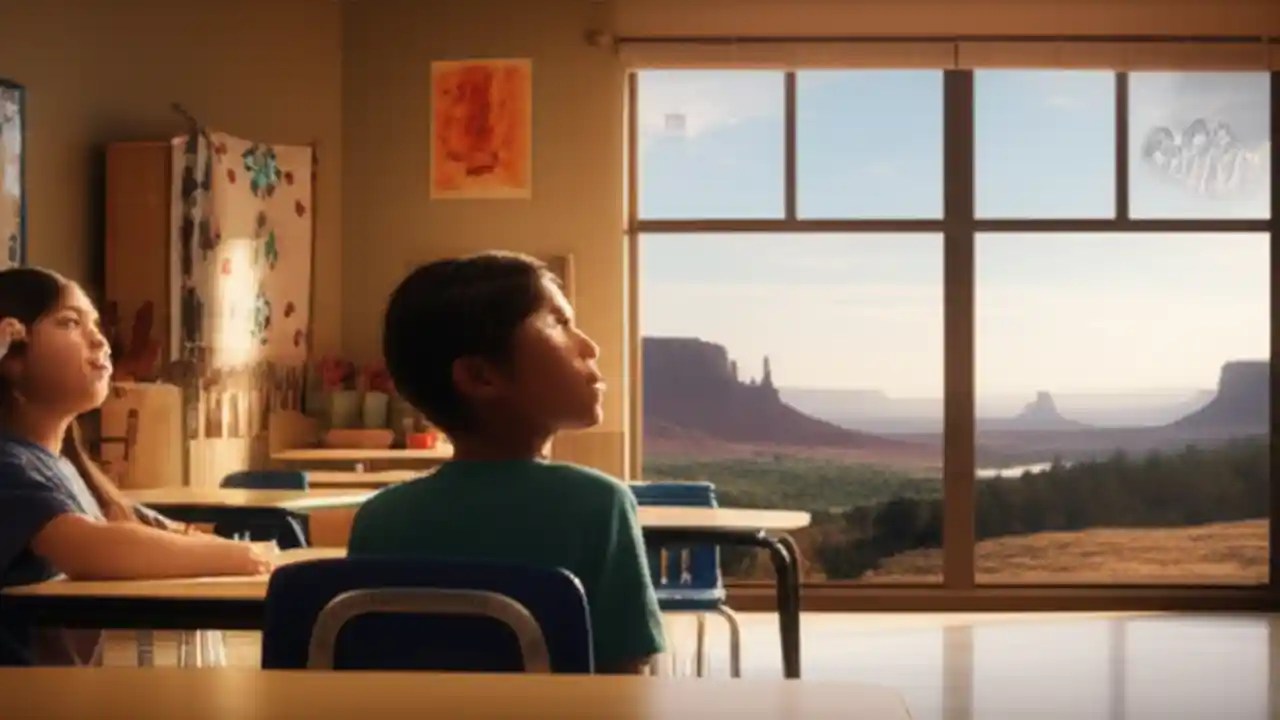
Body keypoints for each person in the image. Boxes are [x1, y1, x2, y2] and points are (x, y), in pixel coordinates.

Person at [350, 252, 665, 674]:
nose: (591, 347)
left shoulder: (378, 519)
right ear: (481, 377)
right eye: (560, 323)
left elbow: (368, 671)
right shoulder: (599, 506)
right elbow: (624, 677)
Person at [0, 267, 270, 666]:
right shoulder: (8, 465)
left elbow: (139, 528)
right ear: (12, 355)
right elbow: (90, 548)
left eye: (95, 324)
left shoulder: (61, 467)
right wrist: (235, 557)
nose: (100, 340)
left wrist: (220, 545)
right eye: (70, 323)